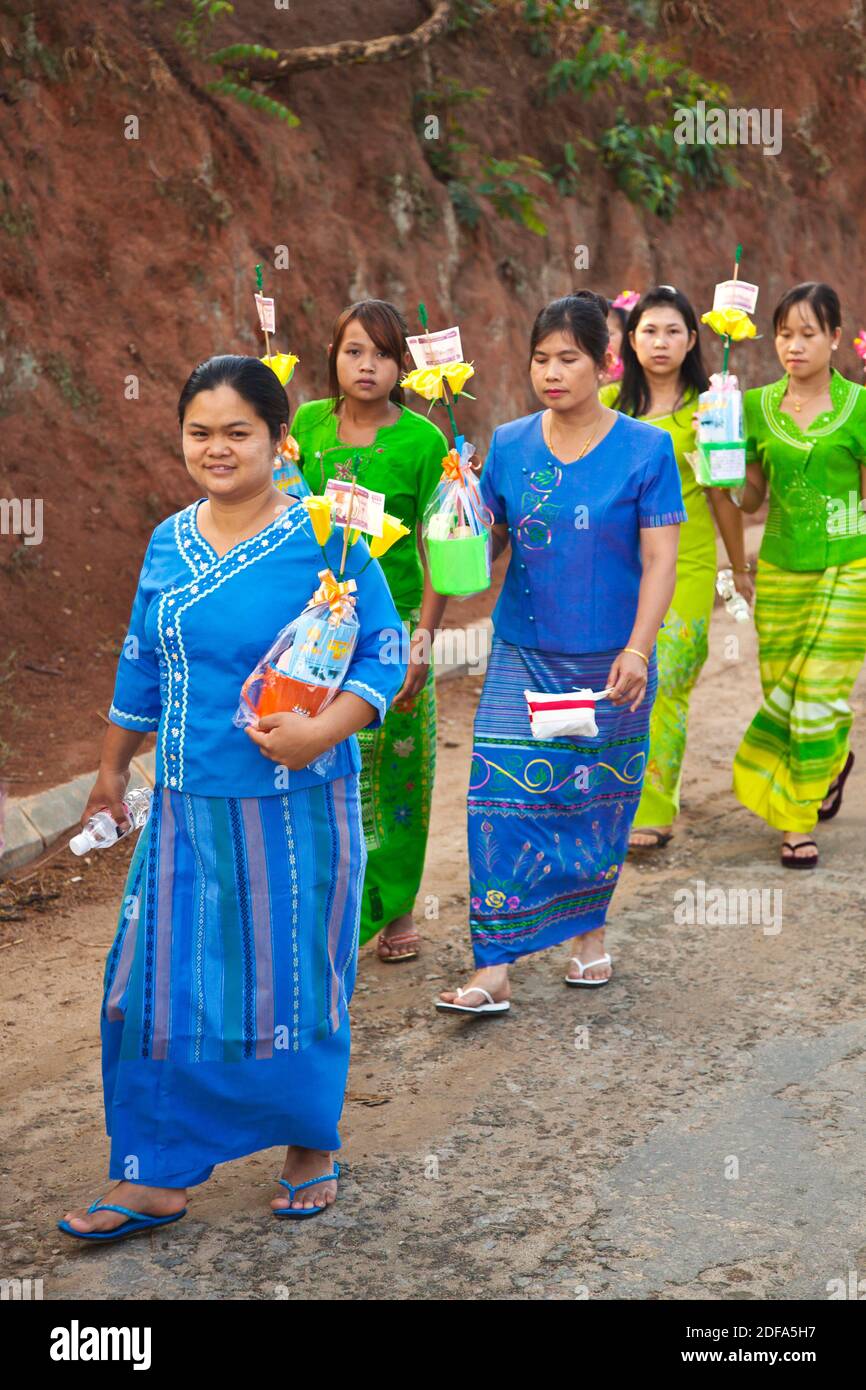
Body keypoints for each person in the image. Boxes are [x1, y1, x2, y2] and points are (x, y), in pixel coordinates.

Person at [58, 355, 406, 1239]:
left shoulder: (328, 539)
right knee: (154, 987)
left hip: (296, 807)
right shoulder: (167, 542)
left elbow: (385, 654)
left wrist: (321, 733)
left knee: (291, 980)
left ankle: (307, 1144)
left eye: (237, 432)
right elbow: (141, 661)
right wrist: (110, 769)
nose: (217, 448)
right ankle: (155, 1171)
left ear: (279, 440)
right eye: (199, 432)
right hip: (183, 807)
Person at [437, 291, 684, 1013]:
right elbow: (486, 546)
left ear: (605, 364)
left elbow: (660, 560)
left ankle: (587, 934)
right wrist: (462, 507)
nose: (552, 372)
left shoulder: (647, 448)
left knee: (591, 800)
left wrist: (639, 650)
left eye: (568, 358)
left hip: (611, 663)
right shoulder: (510, 444)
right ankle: (494, 965)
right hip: (525, 653)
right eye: (540, 359)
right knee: (500, 800)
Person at [292, 300, 448, 962]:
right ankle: (328, 905)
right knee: (323, 762)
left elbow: (445, 546)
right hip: (316, 625)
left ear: (403, 369)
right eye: (354, 350)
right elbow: (285, 515)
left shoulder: (424, 442)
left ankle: (397, 906)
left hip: (395, 626)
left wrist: (423, 639)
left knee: (399, 770)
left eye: (383, 355)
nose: (367, 365)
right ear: (333, 355)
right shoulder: (305, 425)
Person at [600, 285, 750, 850]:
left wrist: (738, 568)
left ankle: (654, 807)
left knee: (668, 682)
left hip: (685, 566)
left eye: (672, 331)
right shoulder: (608, 406)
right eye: (648, 331)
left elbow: (721, 495)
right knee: (614, 681)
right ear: (629, 341)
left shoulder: (712, 407)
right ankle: (611, 796)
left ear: (692, 340)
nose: (660, 342)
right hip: (616, 568)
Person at [732, 282, 866, 867]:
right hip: (783, 572)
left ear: (835, 338)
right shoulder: (753, 406)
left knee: (819, 693)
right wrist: (725, 475)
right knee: (784, 693)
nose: (793, 345)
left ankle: (796, 819)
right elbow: (752, 498)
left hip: (850, 565)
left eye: (808, 334)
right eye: (784, 333)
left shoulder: (860, 406)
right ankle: (829, 763)